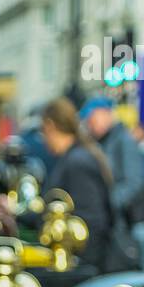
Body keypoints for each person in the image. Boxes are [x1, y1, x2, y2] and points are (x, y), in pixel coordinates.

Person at [38, 97, 115, 271]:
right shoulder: (77, 156)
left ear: (50, 125)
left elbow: (93, 221)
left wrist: (83, 268)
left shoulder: (77, 161)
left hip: (83, 263)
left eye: (42, 130)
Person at [80, 96, 144, 234]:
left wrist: (105, 203)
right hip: (115, 220)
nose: (90, 125)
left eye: (92, 119)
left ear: (105, 114)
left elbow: (135, 183)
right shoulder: (103, 141)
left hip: (130, 224)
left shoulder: (124, 141)